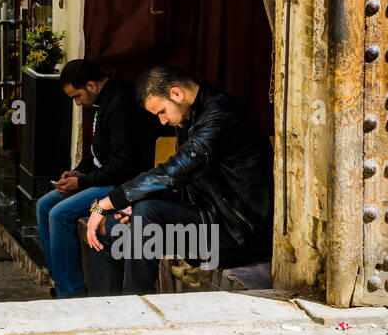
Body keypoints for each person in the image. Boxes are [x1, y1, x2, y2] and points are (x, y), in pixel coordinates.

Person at [84, 65, 273, 295]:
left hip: (239, 235)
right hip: (212, 221)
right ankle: (115, 313)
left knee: (146, 211)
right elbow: (184, 183)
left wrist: (107, 202)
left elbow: (174, 171)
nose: (162, 121)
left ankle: (135, 312)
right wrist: (131, 206)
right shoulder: (190, 118)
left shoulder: (221, 117)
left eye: (162, 111)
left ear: (176, 93)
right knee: (115, 236)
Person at [35, 60, 161, 298]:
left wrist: (81, 183)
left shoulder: (121, 105)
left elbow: (122, 168)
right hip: (98, 179)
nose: (77, 102)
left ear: (92, 85)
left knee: (59, 214)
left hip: (119, 185)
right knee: (44, 205)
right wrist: (77, 173)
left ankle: (71, 294)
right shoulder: (101, 101)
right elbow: (96, 153)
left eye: (77, 96)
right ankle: (61, 281)